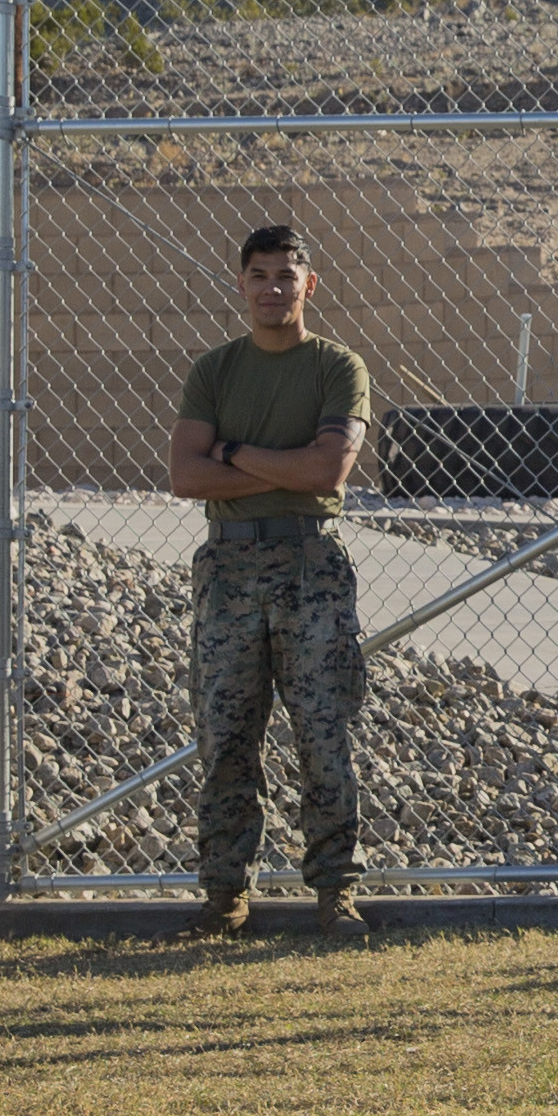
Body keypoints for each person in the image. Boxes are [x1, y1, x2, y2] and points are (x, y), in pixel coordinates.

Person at [165, 226, 378, 937]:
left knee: (323, 735)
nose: (272, 288)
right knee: (226, 738)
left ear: (308, 284)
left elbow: (327, 472)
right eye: (258, 275)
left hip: (309, 566)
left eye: (286, 275)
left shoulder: (337, 368)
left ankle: (334, 893)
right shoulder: (215, 371)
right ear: (241, 285)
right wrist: (277, 461)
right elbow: (184, 475)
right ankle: (225, 894)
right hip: (227, 570)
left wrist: (231, 451)